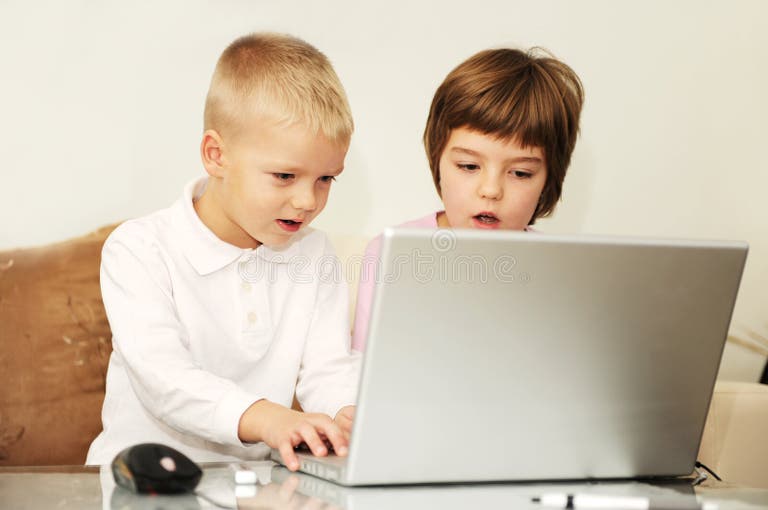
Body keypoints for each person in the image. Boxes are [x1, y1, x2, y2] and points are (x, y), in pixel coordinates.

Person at [86, 33, 360, 471]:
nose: (308, 201)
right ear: (216, 155)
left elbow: (328, 370)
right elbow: (164, 379)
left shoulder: (314, 254)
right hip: (138, 480)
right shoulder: (138, 249)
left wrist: (346, 412)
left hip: (256, 484)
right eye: (285, 176)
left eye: (326, 178)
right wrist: (268, 418)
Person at [351, 47, 584, 351]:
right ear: (438, 161)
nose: (491, 190)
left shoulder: (559, 271)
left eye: (520, 173)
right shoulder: (392, 255)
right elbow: (364, 370)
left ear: (548, 180)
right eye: (469, 166)